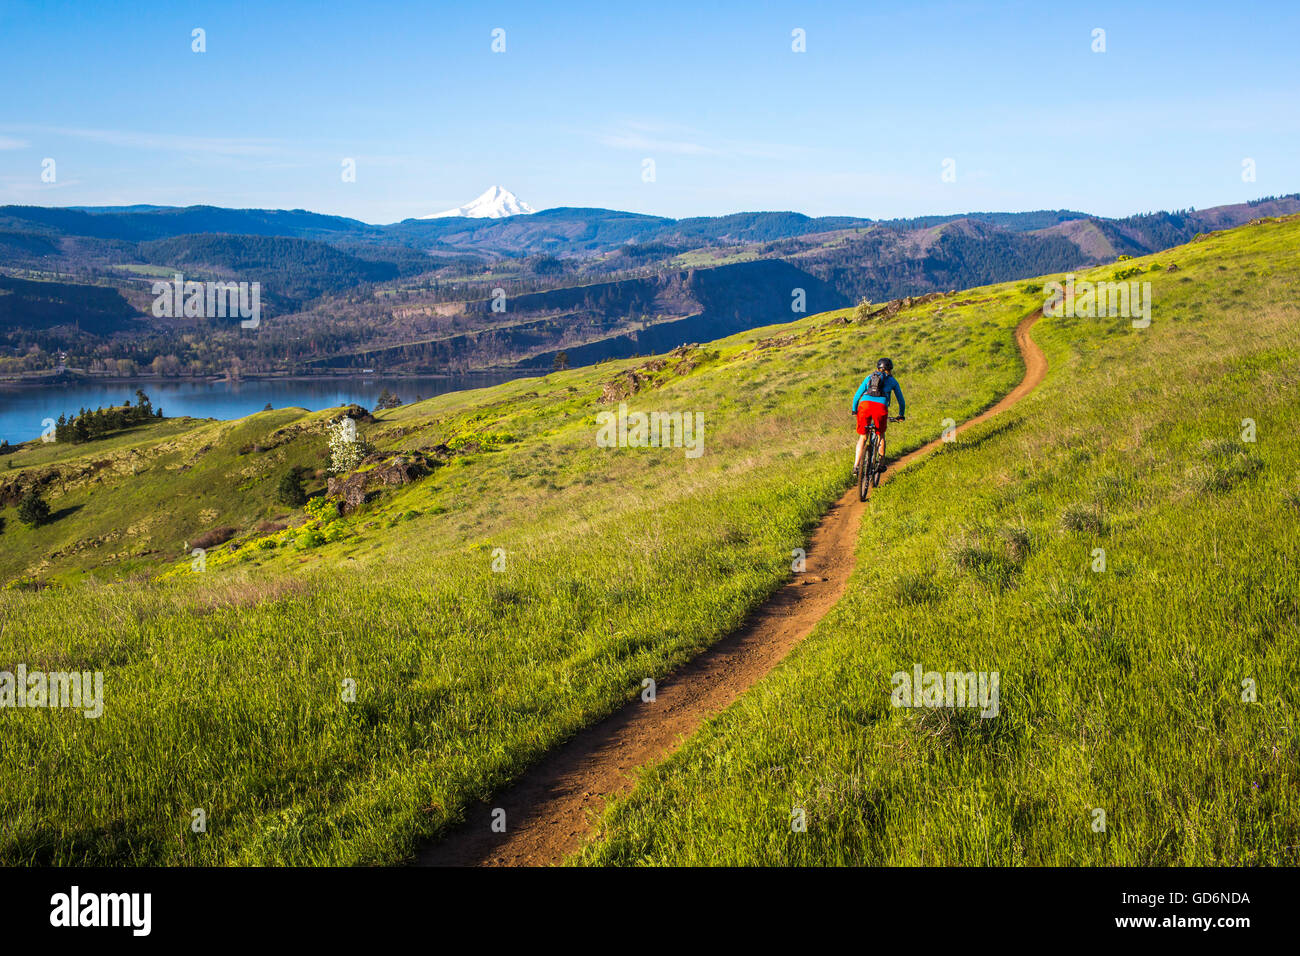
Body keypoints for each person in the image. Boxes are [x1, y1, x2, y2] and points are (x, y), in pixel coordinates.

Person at [851, 358, 905, 477]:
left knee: (863, 437)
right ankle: (880, 465)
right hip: (880, 408)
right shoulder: (892, 381)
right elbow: (901, 400)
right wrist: (901, 414)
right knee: (880, 435)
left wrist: (854, 410)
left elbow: (857, 395)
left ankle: (856, 466)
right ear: (890, 369)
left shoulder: (869, 377)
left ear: (877, 368)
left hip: (864, 406)